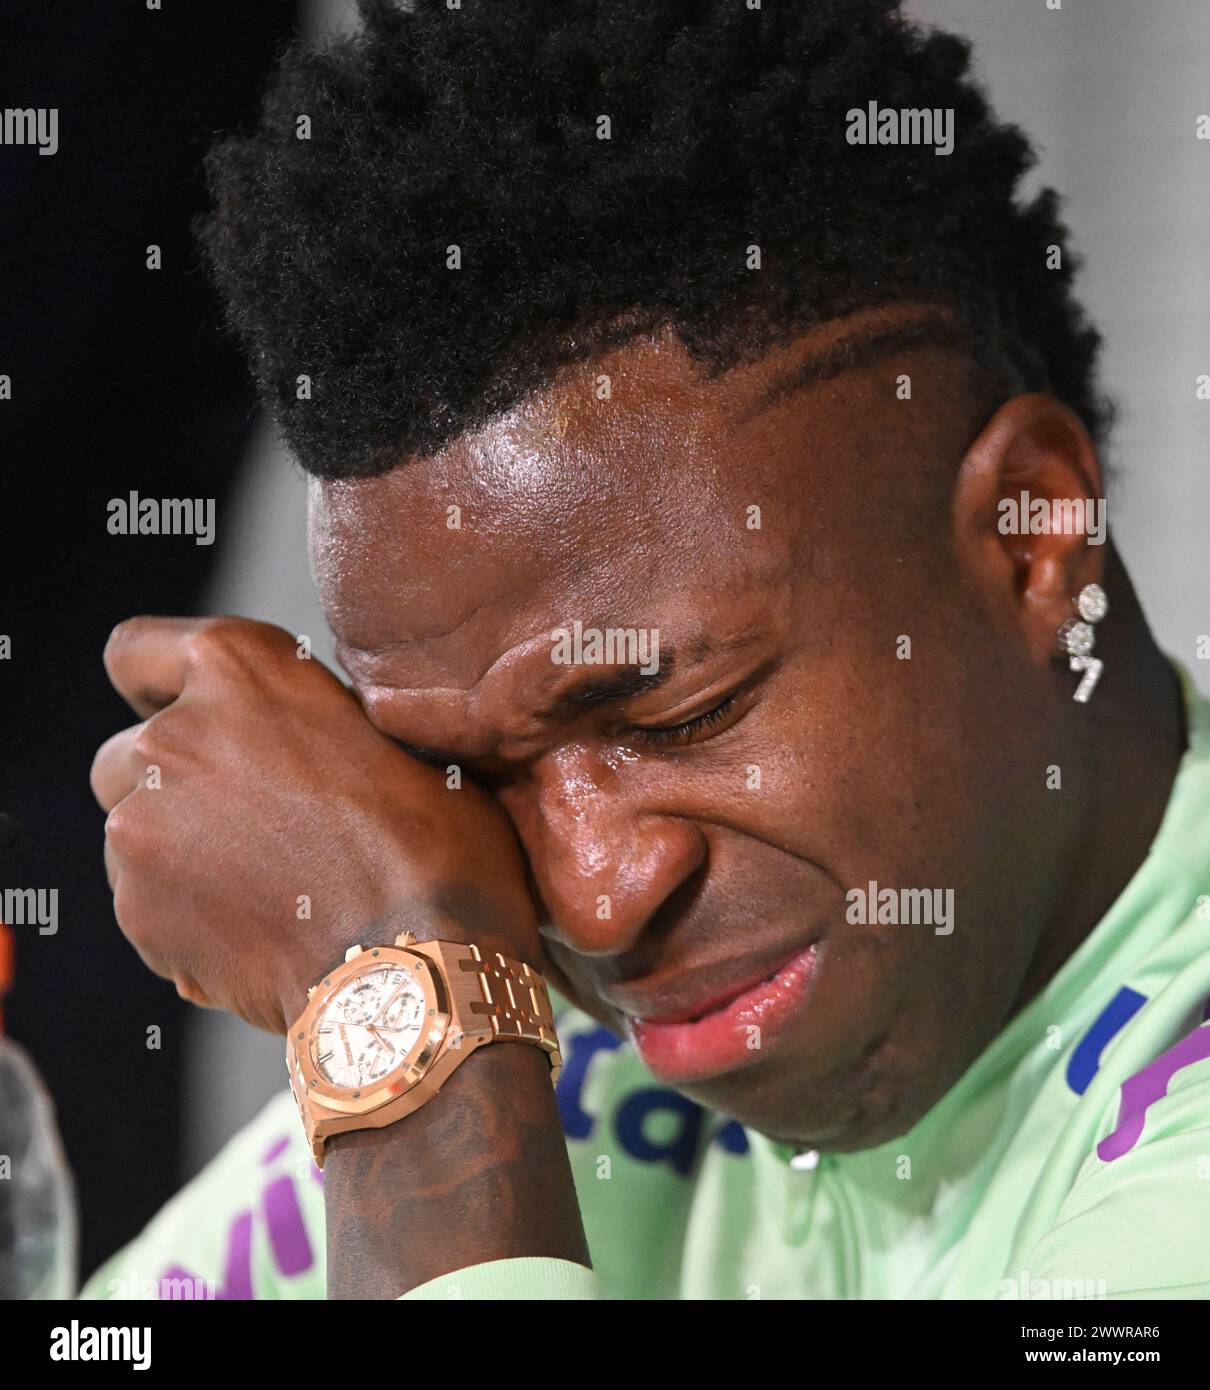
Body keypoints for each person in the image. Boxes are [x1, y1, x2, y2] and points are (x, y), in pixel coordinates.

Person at [83, 0, 1209, 1300]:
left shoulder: (443, 1036)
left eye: (682, 714)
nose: (595, 901)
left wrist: (397, 1024)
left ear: (1029, 535)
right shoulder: (546, 1046)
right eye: (469, 782)